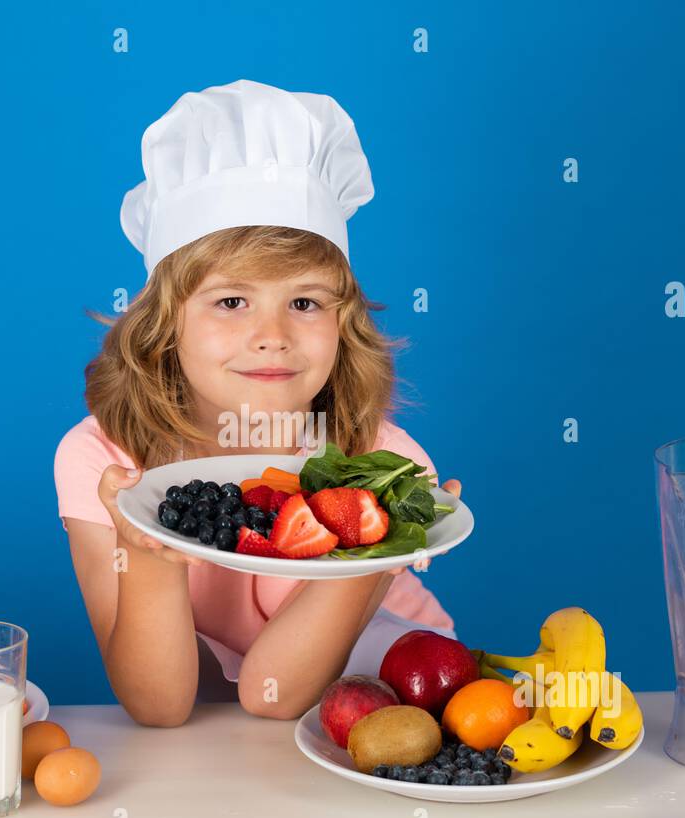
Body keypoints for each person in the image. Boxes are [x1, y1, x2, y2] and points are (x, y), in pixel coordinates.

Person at [55, 79, 462, 727]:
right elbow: (158, 707)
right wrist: (150, 553)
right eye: (231, 301)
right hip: (229, 750)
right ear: (164, 322)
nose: (272, 335)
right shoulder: (102, 461)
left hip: (396, 696)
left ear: (343, 320)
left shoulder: (375, 463)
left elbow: (272, 693)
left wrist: (380, 546)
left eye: (304, 303)